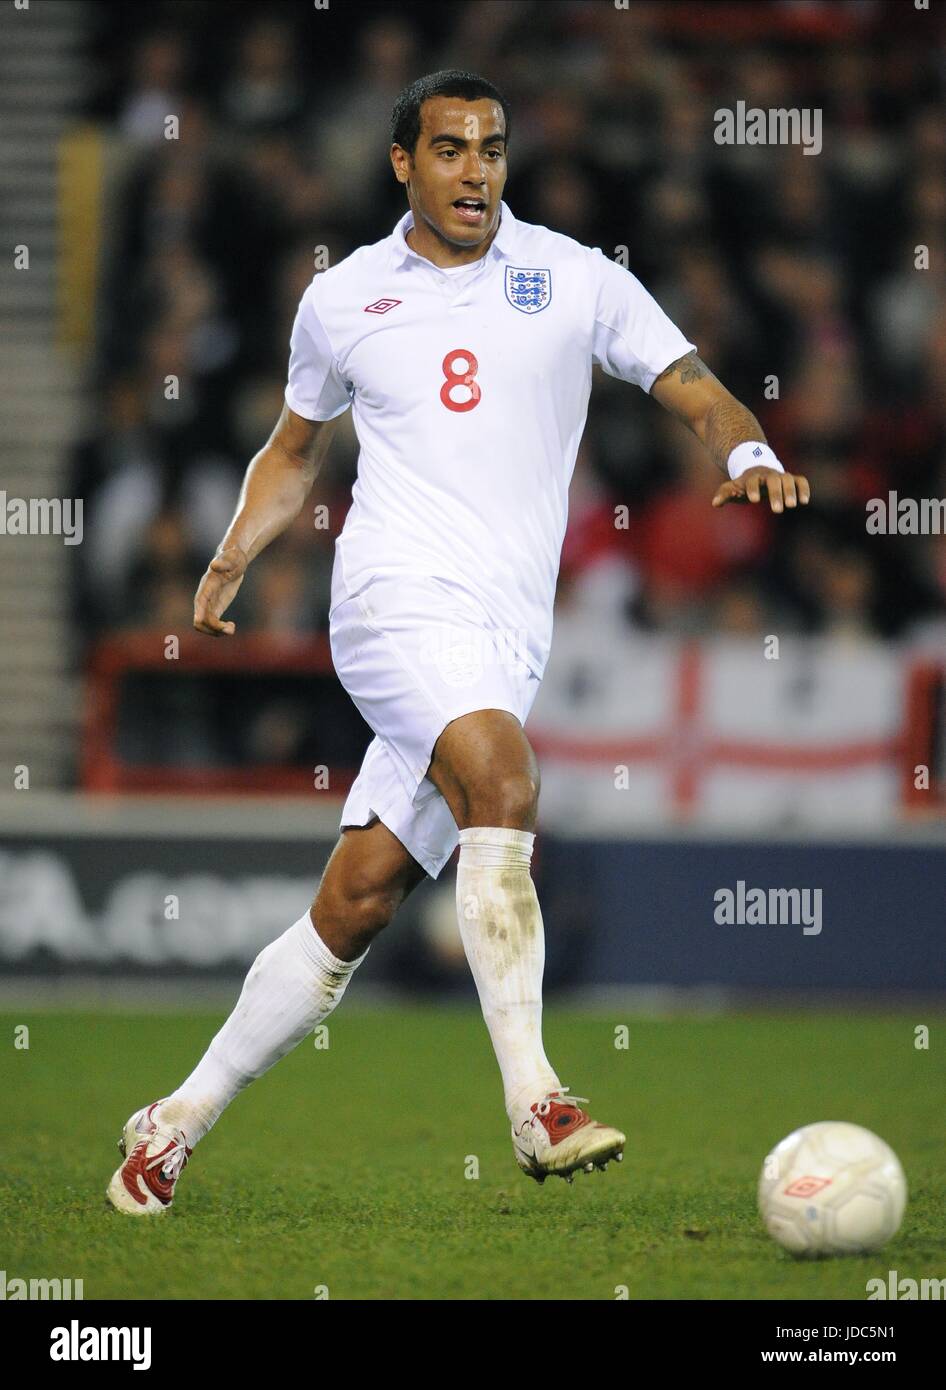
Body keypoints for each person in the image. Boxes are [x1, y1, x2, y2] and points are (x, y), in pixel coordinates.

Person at [107, 70, 810, 1214]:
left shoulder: (576, 279)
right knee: (504, 776)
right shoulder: (343, 300)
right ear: (403, 163)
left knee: (359, 901)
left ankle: (172, 1121)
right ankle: (537, 1102)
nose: (474, 169)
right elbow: (294, 446)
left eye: (490, 148)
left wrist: (743, 452)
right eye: (448, 149)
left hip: (501, 637)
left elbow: (690, 382)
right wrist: (235, 548)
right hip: (388, 602)